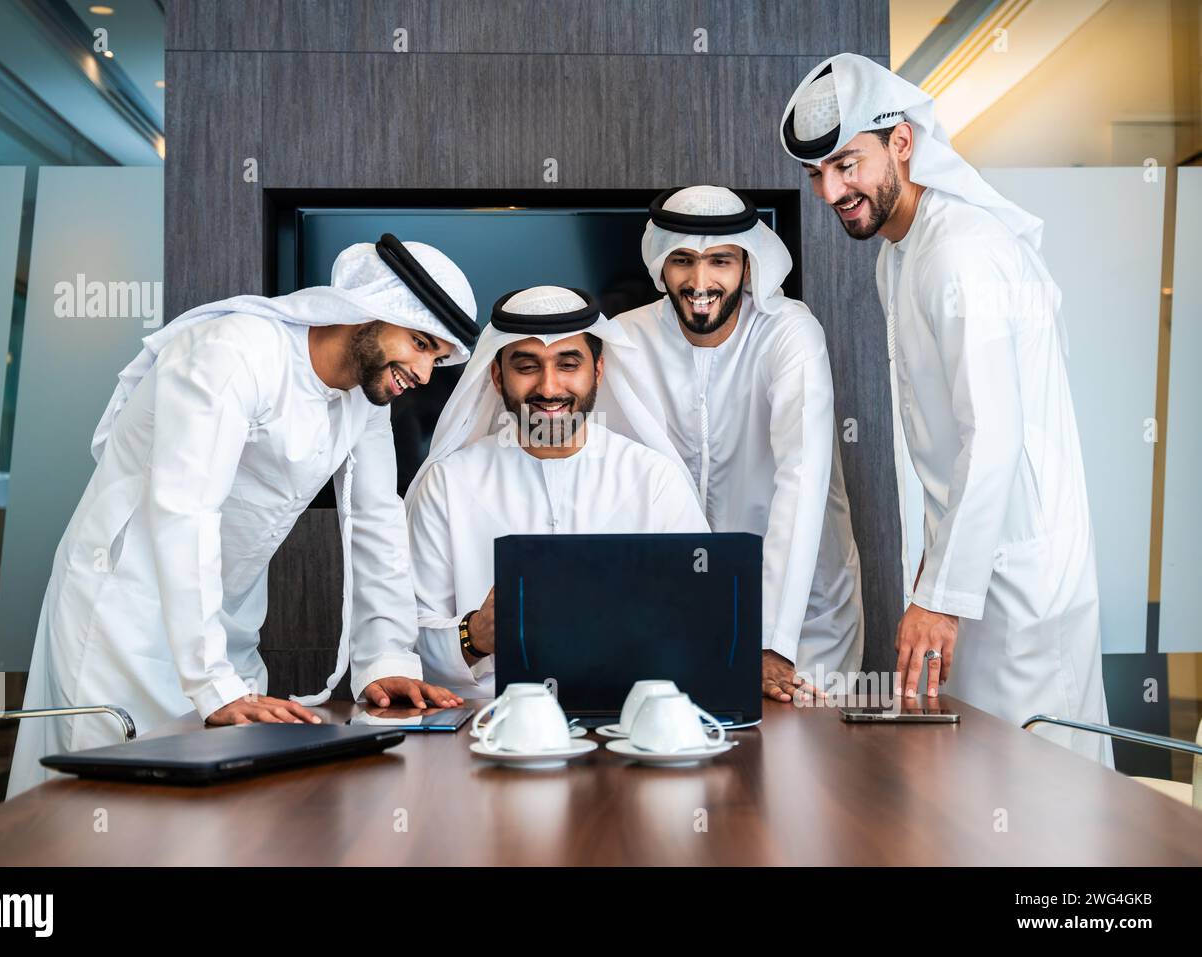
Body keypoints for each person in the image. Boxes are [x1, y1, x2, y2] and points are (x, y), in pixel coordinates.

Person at [8, 236, 476, 795]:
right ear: (367, 312)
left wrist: (387, 659)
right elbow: (187, 510)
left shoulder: (362, 401)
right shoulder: (231, 352)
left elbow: (378, 520)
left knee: (220, 809)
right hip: (124, 611)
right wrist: (211, 683)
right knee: (116, 811)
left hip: (224, 617)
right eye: (421, 344)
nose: (425, 374)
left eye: (438, 357)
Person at [780, 54, 1111, 763]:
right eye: (817, 176)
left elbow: (993, 436)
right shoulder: (896, 257)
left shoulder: (961, 252)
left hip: (1020, 589)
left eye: (847, 165)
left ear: (902, 142)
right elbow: (943, 447)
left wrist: (938, 597)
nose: (833, 190)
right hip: (965, 575)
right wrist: (936, 582)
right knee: (978, 801)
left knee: (1046, 802)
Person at [607, 186, 864, 703]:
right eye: (683, 261)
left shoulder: (789, 333)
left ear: (747, 266)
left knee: (804, 773)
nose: (700, 282)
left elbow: (801, 479)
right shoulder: (625, 341)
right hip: (679, 609)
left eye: (719, 261)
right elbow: (607, 478)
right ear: (662, 266)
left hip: (804, 615)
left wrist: (771, 641)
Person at [405, 286, 709, 698]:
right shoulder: (446, 485)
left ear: (598, 371)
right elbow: (402, 648)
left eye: (568, 364)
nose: (549, 388)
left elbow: (703, 620)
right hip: (486, 726)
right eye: (527, 366)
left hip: (629, 722)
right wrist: (473, 635)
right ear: (497, 377)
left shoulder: (654, 479)